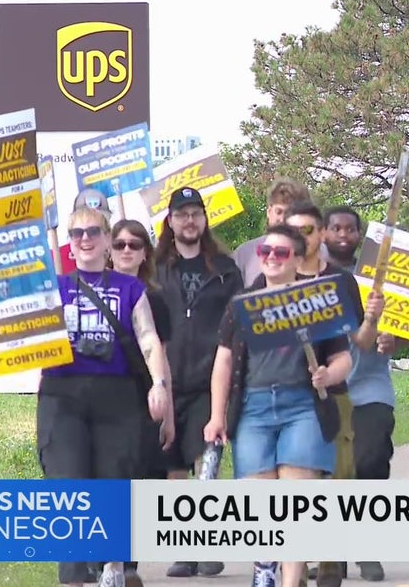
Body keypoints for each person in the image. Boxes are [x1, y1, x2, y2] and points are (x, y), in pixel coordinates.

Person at [204, 225, 354, 587]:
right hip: (253, 408)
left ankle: (289, 582)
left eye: (281, 253)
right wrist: (216, 416)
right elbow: (223, 362)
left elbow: (343, 358)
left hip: (303, 407)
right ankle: (265, 567)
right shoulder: (242, 305)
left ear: (298, 260)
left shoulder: (316, 303)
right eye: (265, 252)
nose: (271, 258)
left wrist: (328, 375)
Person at [38, 207, 174, 587]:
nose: (85, 239)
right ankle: (73, 578)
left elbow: (148, 337)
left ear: (105, 238)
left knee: (115, 483)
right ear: (69, 240)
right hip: (62, 397)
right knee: (67, 487)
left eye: (93, 232)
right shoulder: (56, 287)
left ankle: (114, 567)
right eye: (77, 233)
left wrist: (158, 383)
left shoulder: (129, 288)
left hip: (115, 398)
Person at [285, 202, 384, 587]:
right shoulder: (273, 279)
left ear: (319, 234)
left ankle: (330, 560)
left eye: (308, 231)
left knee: (339, 477)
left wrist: (373, 318)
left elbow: (359, 339)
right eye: (294, 231)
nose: (301, 239)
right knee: (299, 482)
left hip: (336, 392)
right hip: (289, 395)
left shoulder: (341, 283)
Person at [151, 187, 243, 579]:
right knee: (173, 466)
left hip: (212, 379)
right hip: (168, 380)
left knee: (207, 461)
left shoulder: (225, 268)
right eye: (182, 213)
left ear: (205, 220)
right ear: (169, 221)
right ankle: (183, 548)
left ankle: (206, 544)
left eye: (196, 213)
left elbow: (241, 323)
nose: (190, 220)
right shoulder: (154, 271)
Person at [316, 205, 395, 584]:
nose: (343, 235)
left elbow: (402, 326)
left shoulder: (378, 277)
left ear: (360, 235)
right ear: (324, 232)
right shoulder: (313, 273)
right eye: (336, 228)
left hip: (371, 387)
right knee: (330, 473)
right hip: (328, 390)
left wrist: (391, 337)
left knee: (370, 463)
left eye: (350, 229)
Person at [97, 218, 173, 585]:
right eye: (120, 243)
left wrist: (169, 413)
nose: (127, 250)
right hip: (96, 400)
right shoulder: (88, 289)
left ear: (146, 253)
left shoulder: (155, 298)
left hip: (141, 402)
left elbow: (163, 356)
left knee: (132, 482)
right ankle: (105, 559)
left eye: (135, 244)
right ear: (109, 250)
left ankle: (127, 565)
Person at [232, 177, 329, 284]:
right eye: (278, 212)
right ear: (269, 212)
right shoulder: (245, 253)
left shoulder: (322, 253)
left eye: (289, 213)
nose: (282, 219)